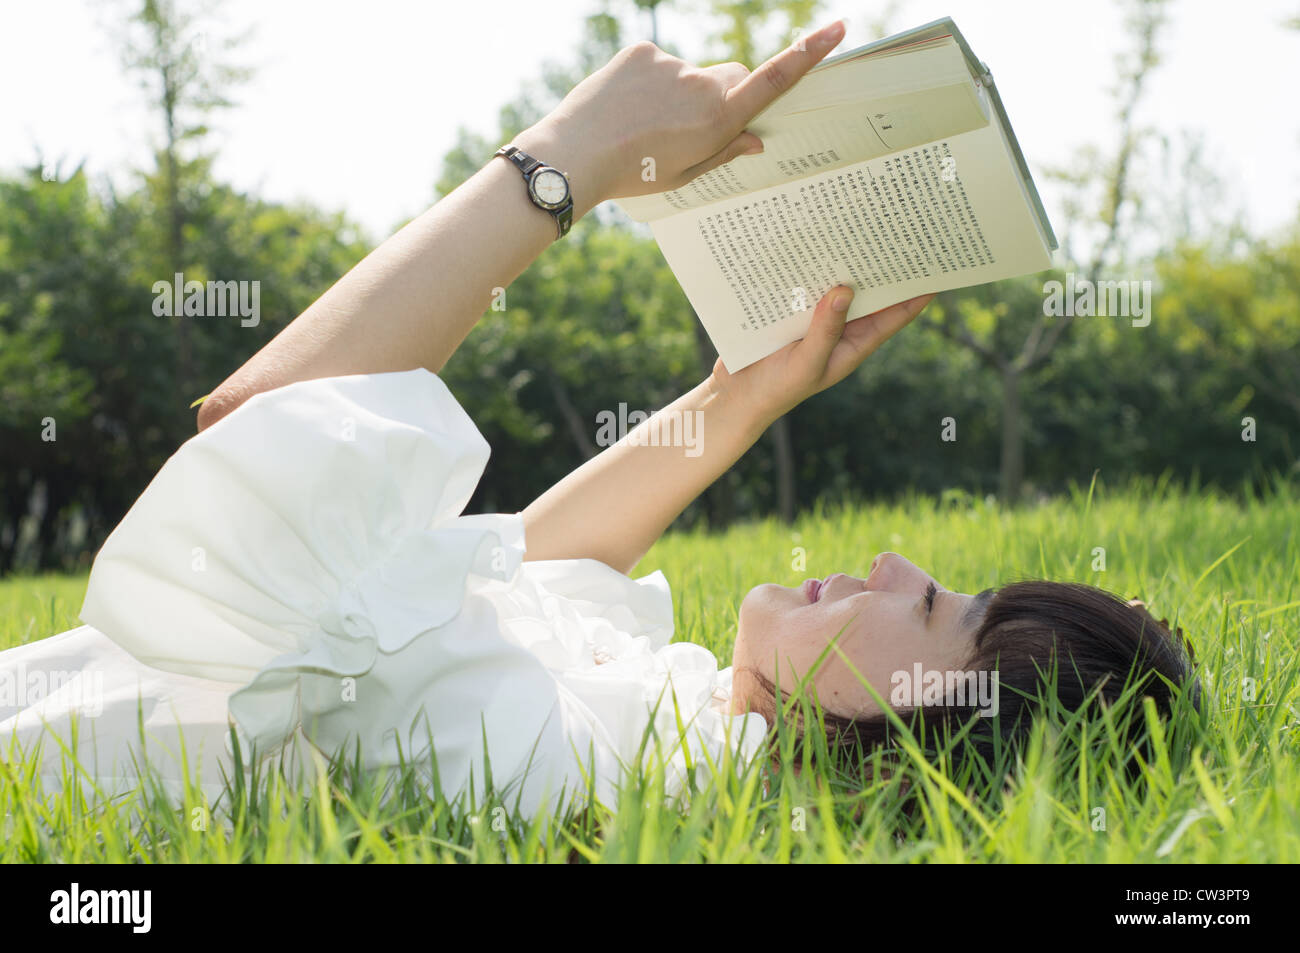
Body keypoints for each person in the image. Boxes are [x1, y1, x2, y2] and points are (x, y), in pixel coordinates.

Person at [0, 19, 1198, 818]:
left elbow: (267, 433)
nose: (895, 563)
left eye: (940, 605)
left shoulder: (571, 773)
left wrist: (570, 155)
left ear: (932, 740)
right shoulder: (692, 735)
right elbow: (534, 568)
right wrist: (746, 393)